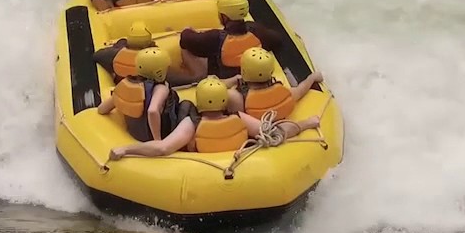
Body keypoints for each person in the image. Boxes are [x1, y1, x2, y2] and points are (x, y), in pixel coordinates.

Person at [107, 76, 320, 160]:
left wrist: (127, 149)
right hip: (244, 170)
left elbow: (162, 148)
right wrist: (306, 124)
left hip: (205, 179)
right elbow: (276, 132)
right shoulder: (239, 118)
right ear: (224, 102)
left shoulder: (192, 123)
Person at [178, 0, 285, 80]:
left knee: (187, 48)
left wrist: (187, 29)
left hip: (222, 84)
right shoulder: (256, 31)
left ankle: (198, 77)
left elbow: (185, 39)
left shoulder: (215, 38)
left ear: (224, 17)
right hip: (250, 78)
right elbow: (278, 40)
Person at [97, 46, 190, 143]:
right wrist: (157, 140)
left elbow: (102, 109)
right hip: (159, 133)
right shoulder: (160, 88)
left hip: (135, 133)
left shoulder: (127, 84)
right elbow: (152, 111)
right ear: (159, 71)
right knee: (187, 105)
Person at [226, 47, 323, 119]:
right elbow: (300, 90)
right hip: (276, 131)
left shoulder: (234, 97)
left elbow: (213, 94)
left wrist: (232, 80)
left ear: (243, 72)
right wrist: (312, 78)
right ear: (271, 71)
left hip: (255, 137)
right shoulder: (283, 94)